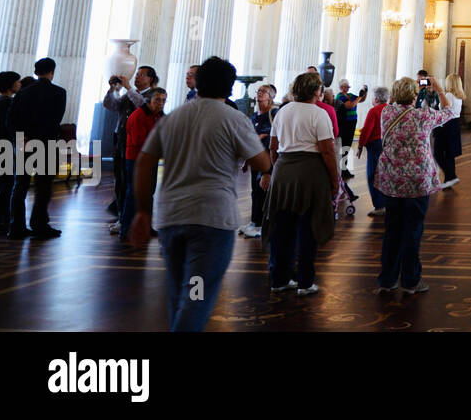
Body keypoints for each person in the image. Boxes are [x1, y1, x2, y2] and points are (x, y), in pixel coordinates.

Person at [128, 57, 269, 331]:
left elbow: (144, 162)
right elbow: (261, 163)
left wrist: (143, 211)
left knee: (180, 291)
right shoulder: (233, 118)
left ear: (199, 83)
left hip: (171, 217)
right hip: (210, 223)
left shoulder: (175, 117)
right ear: (229, 89)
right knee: (197, 294)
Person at [263, 71, 341, 295]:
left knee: (281, 228)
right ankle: (305, 282)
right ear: (316, 91)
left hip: (284, 170)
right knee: (309, 227)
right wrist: (334, 180)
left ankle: (279, 279)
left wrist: (278, 168)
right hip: (311, 172)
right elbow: (327, 151)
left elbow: (273, 146)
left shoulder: (283, 111)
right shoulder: (319, 114)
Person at [375, 76, 454, 292]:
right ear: (414, 95)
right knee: (413, 230)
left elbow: (393, 104)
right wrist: (437, 87)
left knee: (392, 230)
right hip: (417, 180)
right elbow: (449, 112)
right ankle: (410, 280)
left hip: (392, 179)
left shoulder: (386, 112)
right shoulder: (423, 115)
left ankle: (387, 279)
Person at [7, 57, 67, 239]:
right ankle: (40, 225)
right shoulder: (59, 92)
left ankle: (16, 227)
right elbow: (56, 119)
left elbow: (10, 120)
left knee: (20, 184)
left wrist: (22, 137)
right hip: (47, 143)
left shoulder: (23, 93)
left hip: (24, 143)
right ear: (52, 72)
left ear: (35, 72)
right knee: (43, 187)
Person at [119, 87, 167, 241]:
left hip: (150, 159)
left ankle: (146, 227)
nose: (161, 104)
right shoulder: (138, 116)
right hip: (136, 159)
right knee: (133, 194)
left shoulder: (158, 116)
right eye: (157, 100)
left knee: (149, 194)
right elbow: (139, 142)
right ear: (149, 100)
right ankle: (126, 229)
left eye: (163, 100)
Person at [240, 84, 276, 238]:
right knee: (255, 190)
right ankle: (255, 221)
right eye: (259, 91)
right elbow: (250, 135)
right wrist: (246, 160)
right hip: (255, 156)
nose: (260, 93)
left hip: (267, 157)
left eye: (264, 92)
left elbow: (270, 135)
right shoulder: (255, 115)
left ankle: (263, 224)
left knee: (263, 189)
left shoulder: (274, 113)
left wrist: (259, 137)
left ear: (270, 97)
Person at [355, 86, 390, 217]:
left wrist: (360, 146)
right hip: (389, 144)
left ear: (376, 98)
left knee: (373, 174)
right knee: (386, 174)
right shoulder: (391, 109)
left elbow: (367, 130)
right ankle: (388, 202)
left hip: (376, 145)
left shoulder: (374, 111)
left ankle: (379, 205)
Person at [429, 74, 464, 188]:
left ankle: (451, 176)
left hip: (445, 125)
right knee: (450, 154)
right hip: (454, 125)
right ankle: (449, 180)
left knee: (438, 153)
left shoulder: (448, 95)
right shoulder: (459, 96)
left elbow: (443, 109)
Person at [0, 71, 19, 234]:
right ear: (10, 85)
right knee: (7, 184)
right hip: (5, 146)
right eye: (17, 82)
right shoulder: (9, 103)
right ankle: (3, 220)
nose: (19, 84)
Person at [334, 79, 366, 179]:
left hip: (352, 123)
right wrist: (360, 96)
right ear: (341, 87)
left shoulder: (351, 95)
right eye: (347, 86)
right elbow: (350, 105)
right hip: (345, 124)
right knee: (344, 146)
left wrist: (365, 92)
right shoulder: (340, 96)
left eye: (348, 86)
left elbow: (362, 100)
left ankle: (344, 169)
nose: (348, 88)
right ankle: (342, 170)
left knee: (347, 147)